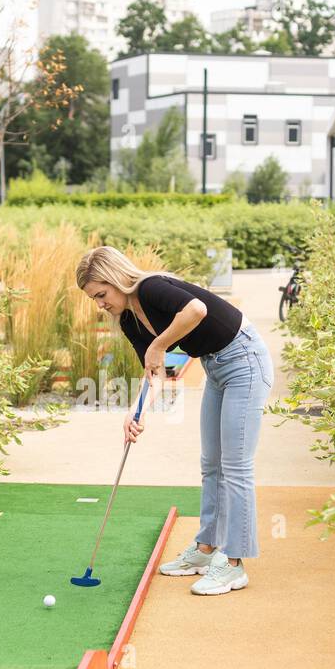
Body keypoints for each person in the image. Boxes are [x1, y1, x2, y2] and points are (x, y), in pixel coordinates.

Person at [75, 245, 273, 595]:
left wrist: (161, 343)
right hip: (216, 367)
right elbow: (156, 373)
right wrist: (137, 413)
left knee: (236, 465)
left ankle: (233, 563)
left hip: (244, 360)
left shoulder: (150, 288)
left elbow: (196, 310)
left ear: (117, 279)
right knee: (211, 464)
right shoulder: (128, 319)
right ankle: (206, 548)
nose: (100, 304)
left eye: (102, 294)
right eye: (94, 298)